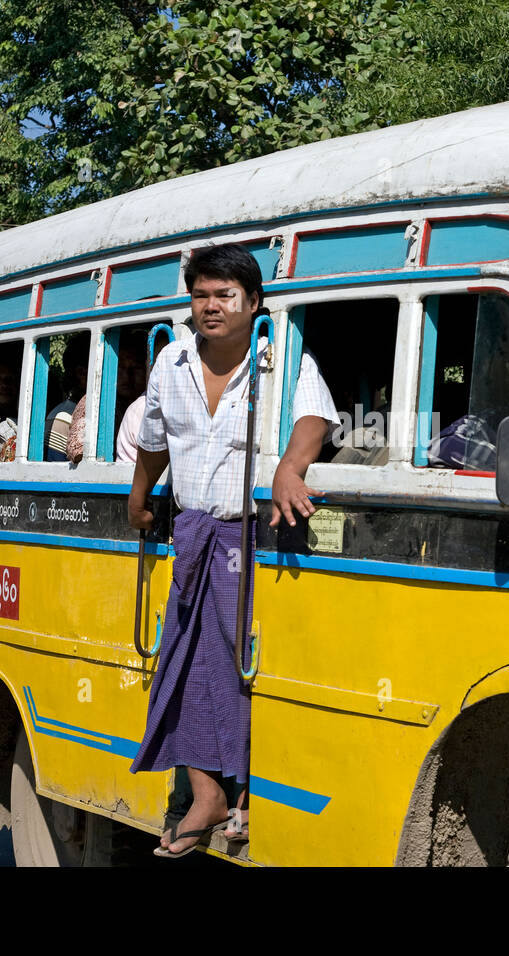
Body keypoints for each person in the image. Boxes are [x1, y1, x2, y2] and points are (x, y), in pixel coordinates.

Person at [127, 243, 338, 857]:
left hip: (250, 540)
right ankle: (206, 795)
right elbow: (153, 440)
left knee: (243, 667)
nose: (211, 306)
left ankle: (244, 796)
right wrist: (139, 500)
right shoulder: (172, 360)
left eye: (225, 295)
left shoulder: (280, 356)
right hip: (192, 532)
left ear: (253, 302)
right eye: (201, 295)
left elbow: (314, 418)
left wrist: (290, 468)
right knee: (185, 663)